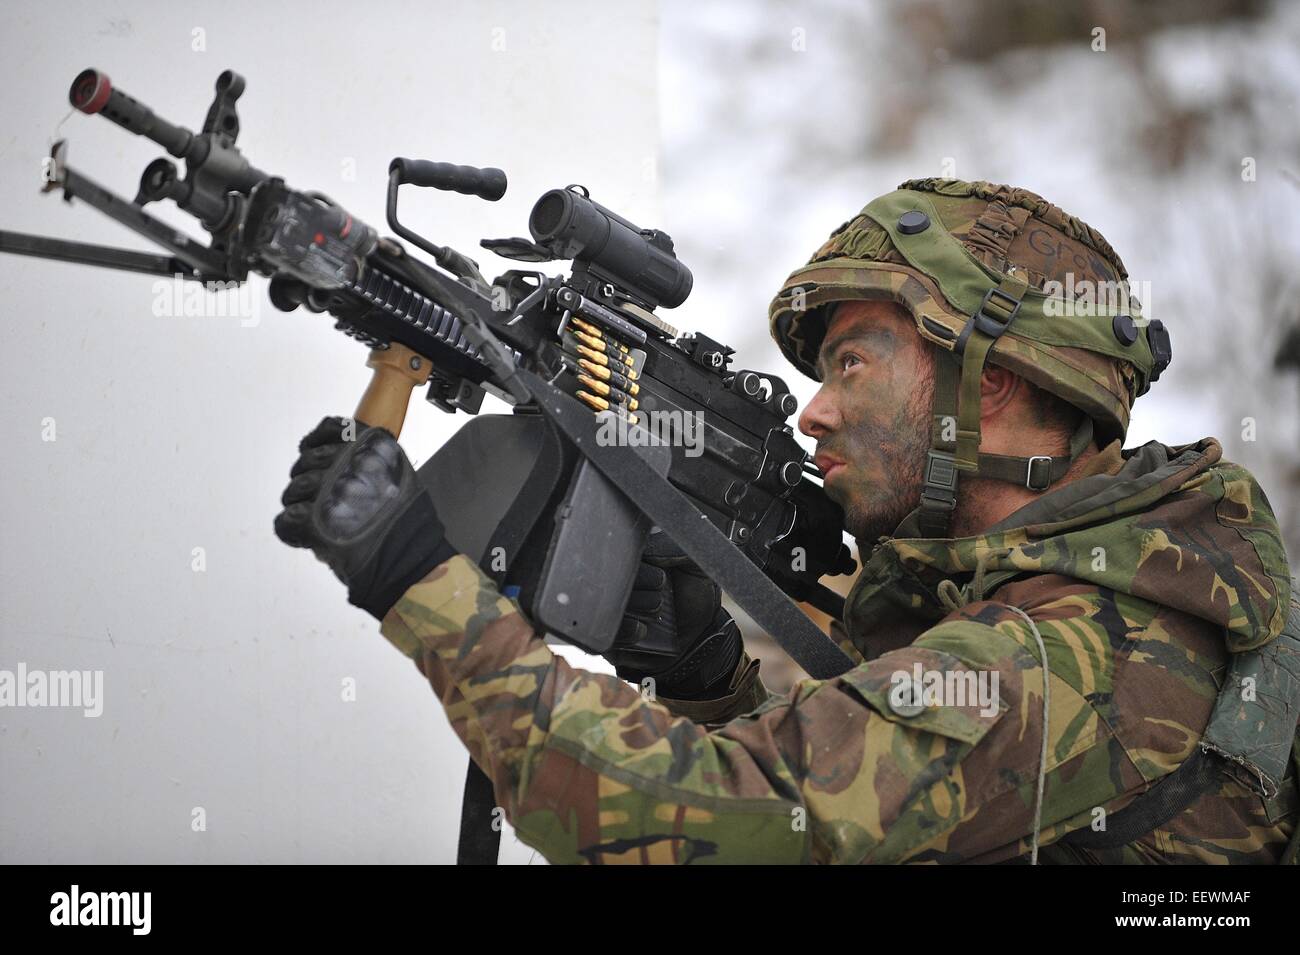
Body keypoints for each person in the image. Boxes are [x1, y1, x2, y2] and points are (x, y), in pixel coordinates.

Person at [275, 178, 1299, 864]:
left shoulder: (1057, 658)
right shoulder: (1122, 601)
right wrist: (708, 680)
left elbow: (694, 822)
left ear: (986, 389)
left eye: (851, 363)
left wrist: (420, 578)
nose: (811, 409)